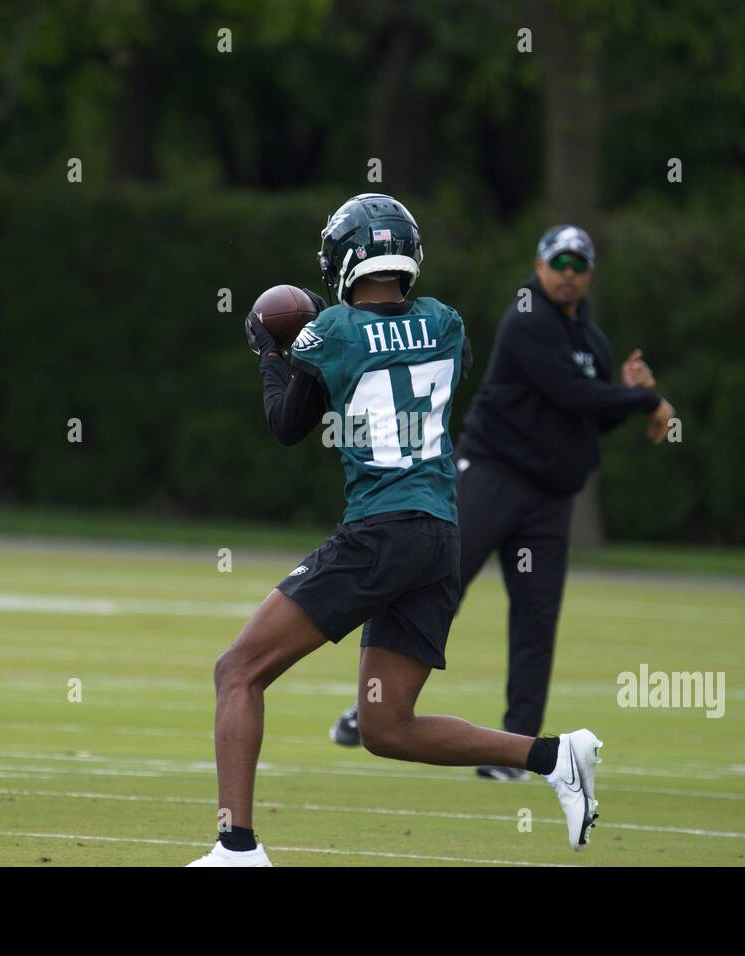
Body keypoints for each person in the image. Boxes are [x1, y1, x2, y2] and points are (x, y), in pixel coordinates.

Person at [187, 196, 602, 866]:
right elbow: (434, 363)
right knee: (386, 725)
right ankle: (554, 756)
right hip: (441, 535)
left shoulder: (333, 333)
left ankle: (236, 848)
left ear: (343, 257)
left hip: (381, 532)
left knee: (237, 671)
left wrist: (273, 351)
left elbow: (287, 426)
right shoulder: (445, 322)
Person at [328, 224, 673, 784]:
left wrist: (630, 395)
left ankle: (517, 749)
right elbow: (568, 391)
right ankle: (372, 703)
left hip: (549, 500)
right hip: (492, 476)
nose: (567, 274)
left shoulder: (593, 342)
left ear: (589, 274)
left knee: (537, 616)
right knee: (439, 583)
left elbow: (590, 414)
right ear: (539, 265)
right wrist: (647, 399)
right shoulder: (527, 318)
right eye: (558, 262)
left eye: (578, 265)